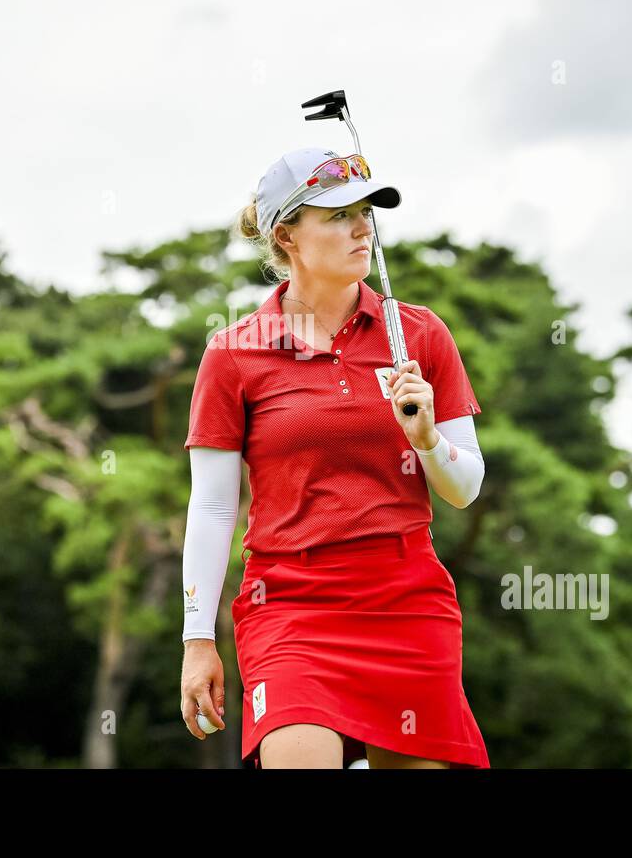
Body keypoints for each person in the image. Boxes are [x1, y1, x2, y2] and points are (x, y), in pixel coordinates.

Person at [179, 147, 491, 769]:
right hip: (290, 606)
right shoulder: (235, 351)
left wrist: (428, 439)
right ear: (285, 235)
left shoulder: (421, 335)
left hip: (406, 599)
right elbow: (213, 508)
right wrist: (196, 640)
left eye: (366, 212)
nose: (362, 228)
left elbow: (464, 490)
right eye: (337, 214)